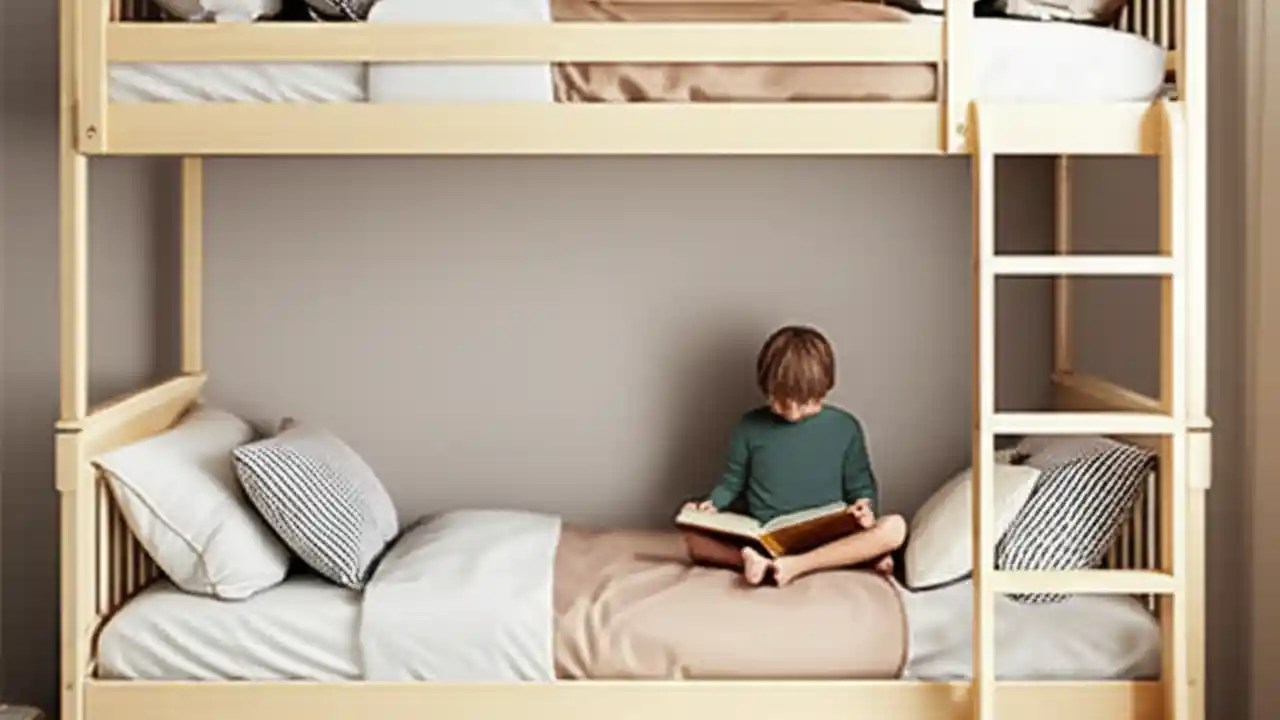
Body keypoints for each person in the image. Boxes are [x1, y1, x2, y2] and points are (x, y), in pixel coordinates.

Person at [681, 325, 907, 586]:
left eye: (805, 403)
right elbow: (732, 480)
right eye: (780, 401)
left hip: (827, 536)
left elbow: (861, 484)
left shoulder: (845, 427)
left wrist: (865, 510)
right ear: (765, 387)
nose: (792, 413)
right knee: (693, 541)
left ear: (825, 390)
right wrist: (713, 504)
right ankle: (760, 560)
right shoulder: (749, 427)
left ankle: (793, 566)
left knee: (894, 527)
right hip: (769, 536)